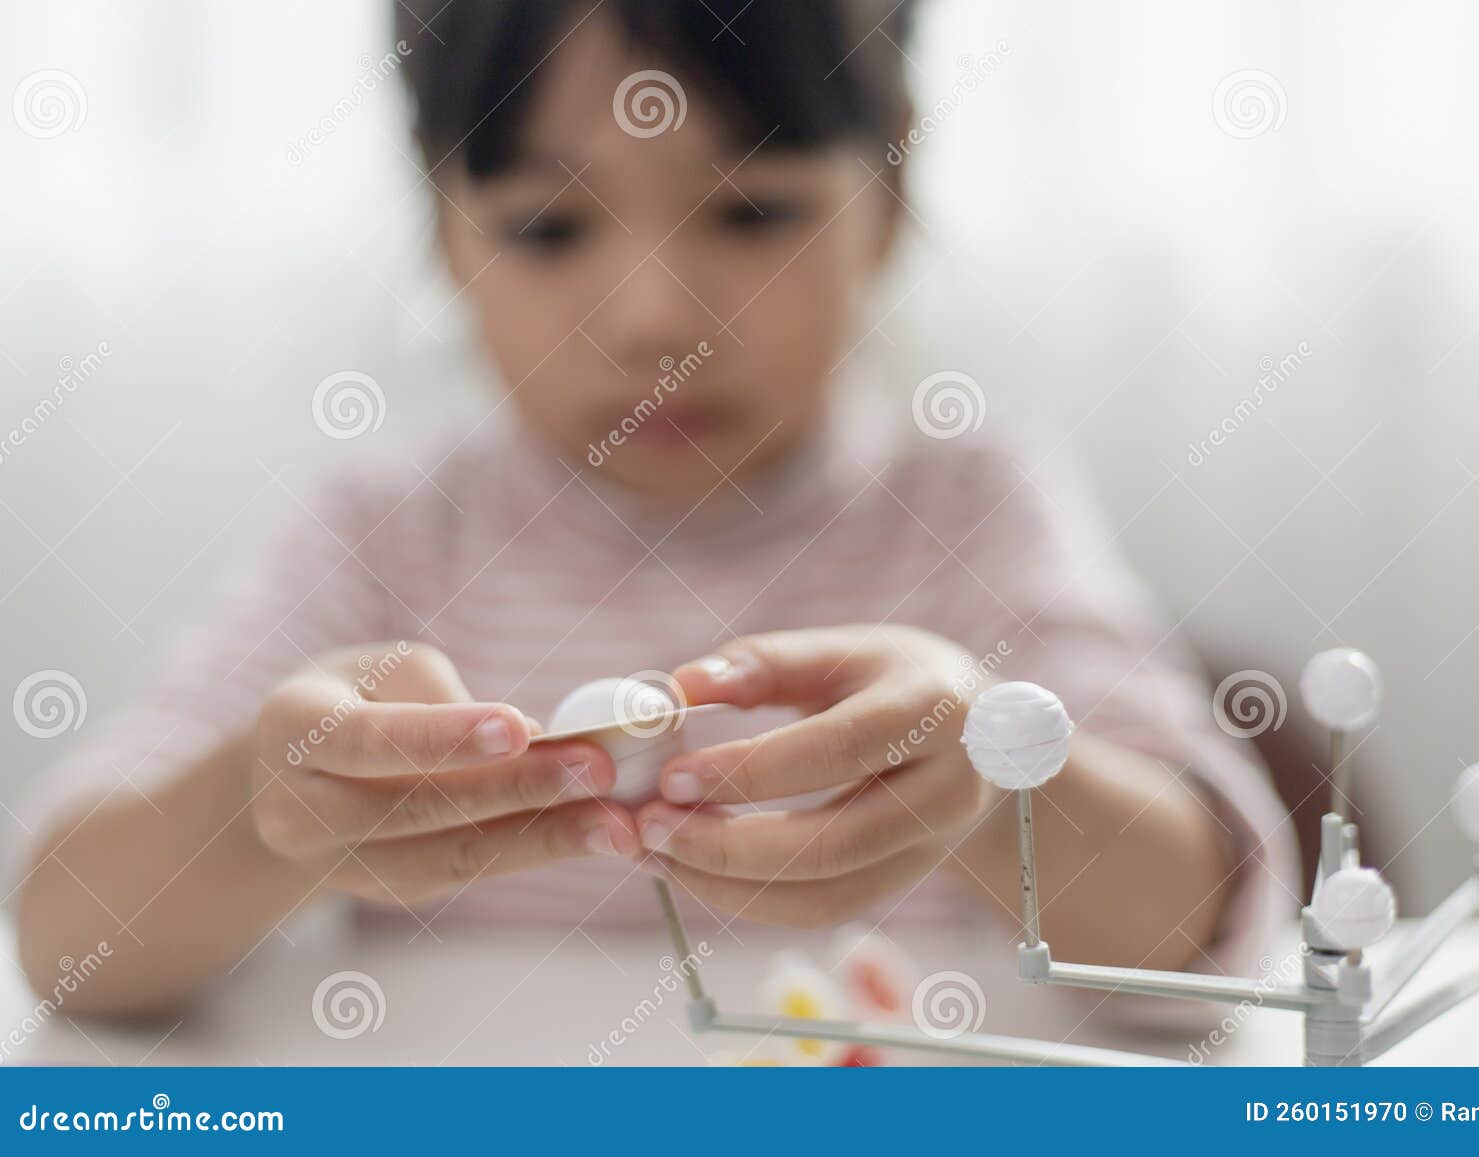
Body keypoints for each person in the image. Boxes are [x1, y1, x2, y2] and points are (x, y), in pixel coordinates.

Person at [13, 0, 1295, 1021]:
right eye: (547, 225)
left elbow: (1215, 923)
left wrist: (999, 785)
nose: (655, 319)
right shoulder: (387, 535)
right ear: (444, 232)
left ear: (890, 192)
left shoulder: (969, 509)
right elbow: (67, 945)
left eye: (752, 209)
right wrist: (259, 808)